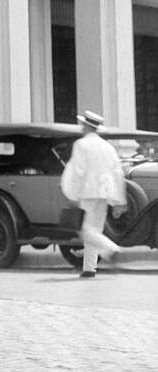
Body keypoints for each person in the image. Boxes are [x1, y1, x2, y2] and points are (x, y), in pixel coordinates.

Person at [61, 110, 127, 278]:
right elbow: (117, 173)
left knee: (86, 231)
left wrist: (72, 195)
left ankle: (111, 250)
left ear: (86, 126)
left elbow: (78, 171)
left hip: (88, 191)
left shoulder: (81, 144)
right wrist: (119, 200)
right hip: (105, 192)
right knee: (95, 230)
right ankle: (89, 268)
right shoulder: (108, 147)